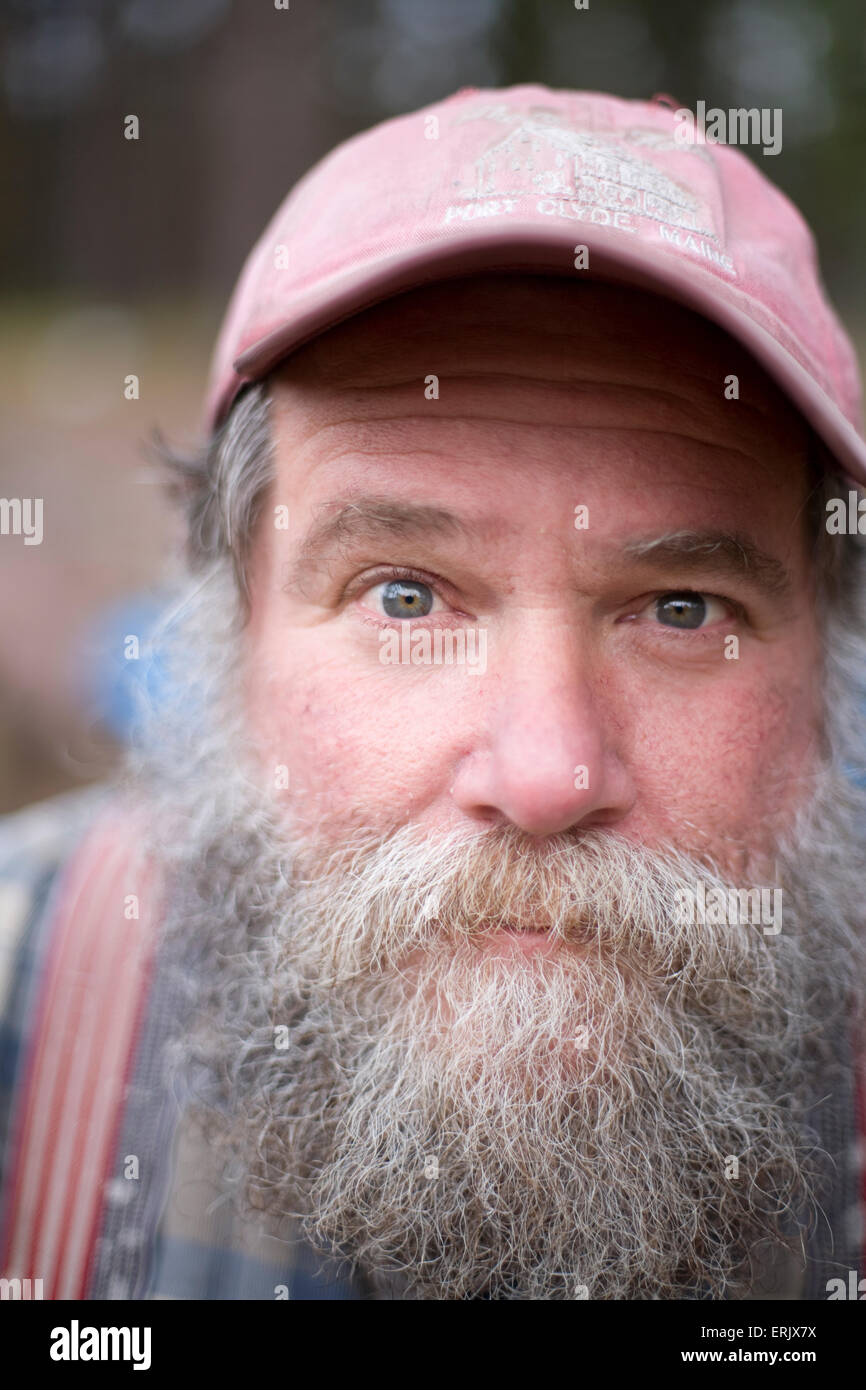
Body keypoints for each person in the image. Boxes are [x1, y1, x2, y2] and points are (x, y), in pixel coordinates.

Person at [1, 84, 864, 1302]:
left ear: (827, 667)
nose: (546, 775)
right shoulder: (19, 1005)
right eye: (404, 597)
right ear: (228, 634)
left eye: (680, 609)